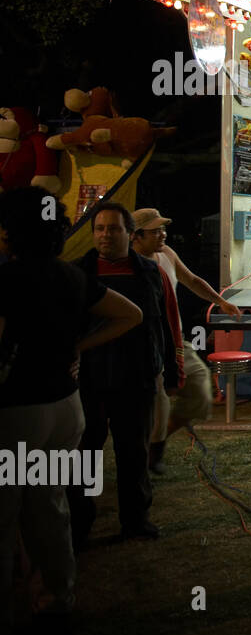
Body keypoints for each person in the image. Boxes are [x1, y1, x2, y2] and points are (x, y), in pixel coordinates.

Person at [0, 188, 142, 634]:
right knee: (48, 506)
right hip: (64, 406)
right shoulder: (71, 277)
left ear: (10, 234)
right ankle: (58, 597)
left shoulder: (6, 279)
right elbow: (129, 314)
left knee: (5, 514)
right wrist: (75, 347)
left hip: (17, 411)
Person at [69, 203, 178, 545]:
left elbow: (167, 320)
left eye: (113, 229)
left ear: (129, 235)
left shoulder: (150, 272)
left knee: (133, 451)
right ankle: (79, 521)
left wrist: (172, 368)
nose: (105, 235)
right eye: (99, 228)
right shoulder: (77, 273)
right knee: (85, 452)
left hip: (137, 375)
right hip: (89, 379)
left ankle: (135, 519)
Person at [131, 207, 232, 473]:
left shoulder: (166, 254)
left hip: (175, 340)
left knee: (200, 388)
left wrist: (220, 301)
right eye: (155, 231)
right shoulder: (127, 265)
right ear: (136, 237)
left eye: (163, 229)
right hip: (147, 343)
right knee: (159, 401)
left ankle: (156, 441)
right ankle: (152, 456)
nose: (163, 235)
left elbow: (192, 280)